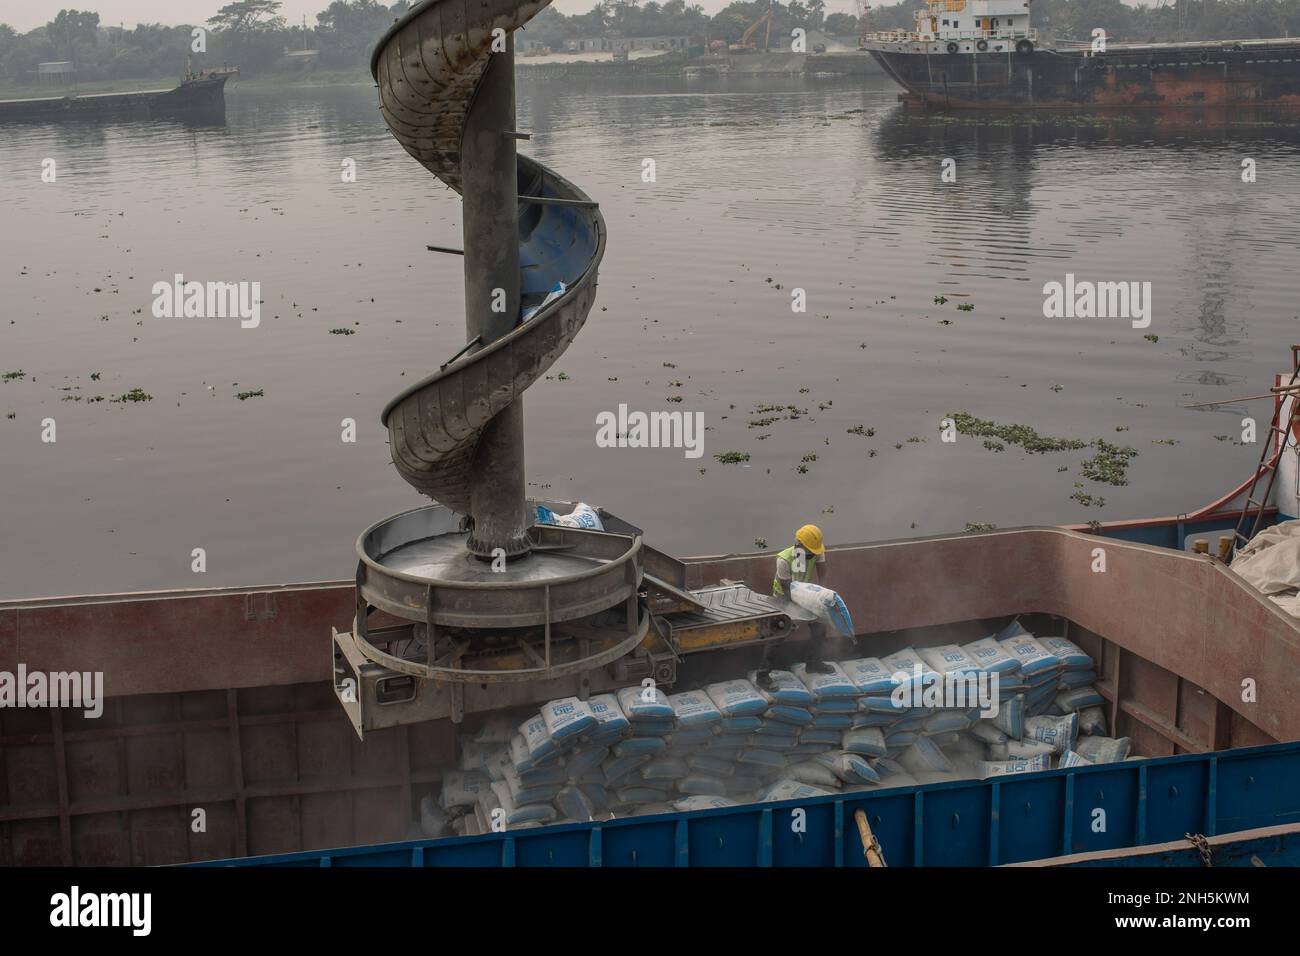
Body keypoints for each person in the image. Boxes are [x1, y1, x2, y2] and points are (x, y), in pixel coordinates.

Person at [756, 524, 833, 691]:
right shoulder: (783, 560)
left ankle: (813, 664)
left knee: (820, 628)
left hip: (806, 594)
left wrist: (822, 595)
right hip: (783, 597)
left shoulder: (816, 551)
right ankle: (762, 675)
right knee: (778, 634)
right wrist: (797, 614)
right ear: (798, 544)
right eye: (809, 550)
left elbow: (823, 572)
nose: (812, 553)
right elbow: (786, 588)